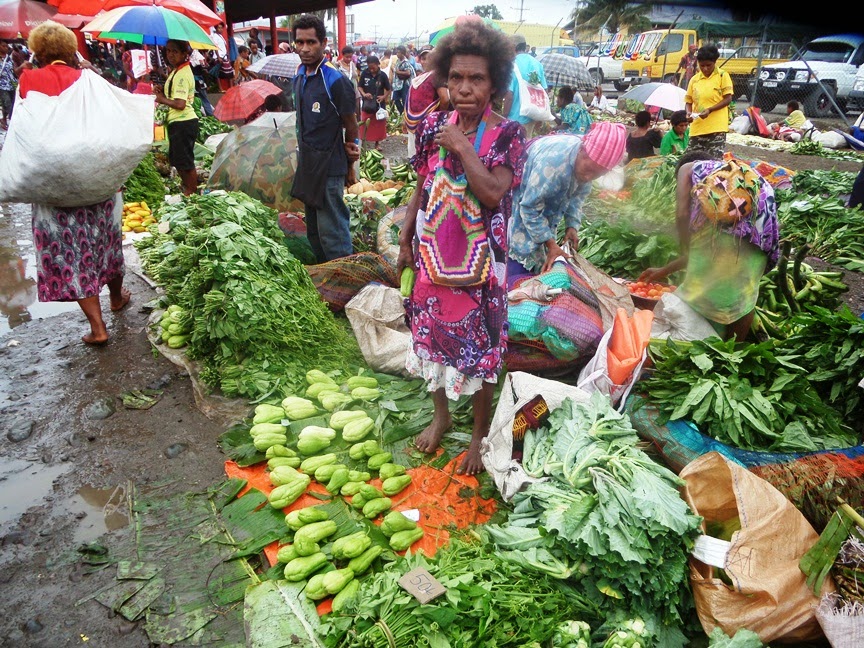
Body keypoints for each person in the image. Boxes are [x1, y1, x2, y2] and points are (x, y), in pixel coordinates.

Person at [396, 19, 526, 475]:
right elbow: (420, 184)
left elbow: (493, 192)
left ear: (495, 83)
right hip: (433, 255)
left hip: (481, 266)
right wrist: (406, 237)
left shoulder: (509, 135)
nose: (465, 88)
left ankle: (476, 436)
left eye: (477, 78)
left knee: (481, 349)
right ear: (444, 79)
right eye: (456, 78)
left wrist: (461, 146)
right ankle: (440, 415)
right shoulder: (432, 124)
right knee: (429, 337)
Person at [20, 21, 131, 345]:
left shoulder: (28, 79)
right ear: (72, 51)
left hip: (54, 184)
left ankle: (98, 329)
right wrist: (87, 67)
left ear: (38, 52)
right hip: (95, 177)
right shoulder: (88, 78)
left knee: (72, 254)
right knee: (106, 243)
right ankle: (116, 297)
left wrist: (29, 67)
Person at [639, 151, 780, 342]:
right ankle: (731, 355)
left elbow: (681, 214)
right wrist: (663, 270)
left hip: (731, 221)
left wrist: (685, 242)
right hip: (762, 227)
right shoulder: (733, 174)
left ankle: (699, 341)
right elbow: (701, 254)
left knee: (699, 289)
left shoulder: (687, 169)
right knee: (744, 296)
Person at [508, 122, 627, 275]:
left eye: (597, 174)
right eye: (589, 169)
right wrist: (551, 244)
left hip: (542, 202)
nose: (588, 177)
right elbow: (529, 207)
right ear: (581, 150)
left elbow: (577, 196)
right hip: (522, 199)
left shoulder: (585, 164)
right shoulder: (554, 164)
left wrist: (572, 225)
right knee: (520, 253)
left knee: (541, 256)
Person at [291, 14, 360, 263]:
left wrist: (351, 164)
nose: (305, 48)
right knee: (314, 232)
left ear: (323, 43)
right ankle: (326, 277)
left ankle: (344, 282)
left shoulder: (335, 80)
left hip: (331, 165)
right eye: (300, 42)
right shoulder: (299, 76)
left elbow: (351, 125)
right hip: (308, 163)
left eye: (311, 42)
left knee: (333, 232)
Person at [155, 40, 199, 196]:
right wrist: (163, 91)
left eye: (174, 51)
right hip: (177, 122)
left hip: (184, 122)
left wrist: (161, 99)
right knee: (178, 159)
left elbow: (180, 104)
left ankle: (192, 192)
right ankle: (187, 187)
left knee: (185, 161)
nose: (170, 55)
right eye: (168, 51)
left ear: (184, 54)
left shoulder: (182, 74)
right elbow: (174, 96)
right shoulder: (176, 71)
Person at [684, 44, 733, 159]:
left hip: (716, 129)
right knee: (690, 161)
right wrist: (688, 113)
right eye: (702, 66)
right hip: (697, 128)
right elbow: (688, 101)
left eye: (708, 65)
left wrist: (710, 109)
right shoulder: (694, 80)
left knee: (712, 163)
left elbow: (728, 99)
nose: (705, 68)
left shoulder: (722, 76)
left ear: (714, 62)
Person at [404, 46, 450, 156]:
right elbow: (411, 99)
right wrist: (404, 120)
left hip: (428, 126)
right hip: (415, 124)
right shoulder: (420, 76)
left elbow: (445, 99)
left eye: (430, 57)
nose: (426, 61)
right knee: (415, 154)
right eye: (423, 58)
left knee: (427, 155)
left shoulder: (437, 76)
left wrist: (438, 119)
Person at [501, 34, 548, 137]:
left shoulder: (511, 65)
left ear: (514, 47)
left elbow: (509, 95)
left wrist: (504, 117)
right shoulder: (537, 63)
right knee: (527, 145)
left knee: (515, 149)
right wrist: (540, 117)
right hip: (532, 114)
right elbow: (544, 90)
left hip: (515, 118)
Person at [357, 55, 390, 150]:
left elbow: (388, 89)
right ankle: (363, 142)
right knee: (364, 122)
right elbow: (360, 86)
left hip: (379, 105)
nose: (371, 70)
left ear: (378, 65)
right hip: (367, 104)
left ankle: (377, 144)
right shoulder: (364, 73)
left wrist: (383, 97)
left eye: (373, 68)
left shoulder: (383, 75)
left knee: (379, 124)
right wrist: (364, 94)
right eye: (369, 67)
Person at [391, 45, 415, 113]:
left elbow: (408, 73)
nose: (397, 54)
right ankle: (402, 113)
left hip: (404, 84)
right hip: (397, 85)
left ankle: (406, 114)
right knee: (396, 99)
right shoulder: (398, 61)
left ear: (402, 53)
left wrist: (398, 72)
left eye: (398, 52)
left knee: (405, 101)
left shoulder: (406, 62)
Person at [0, 41, 16, 130]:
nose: (6, 48)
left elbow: (13, 70)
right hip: (2, 85)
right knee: (7, 103)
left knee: (12, 103)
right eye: (3, 46)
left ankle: (4, 119)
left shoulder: (9, 58)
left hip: (11, 84)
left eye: (6, 46)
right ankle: (11, 122)